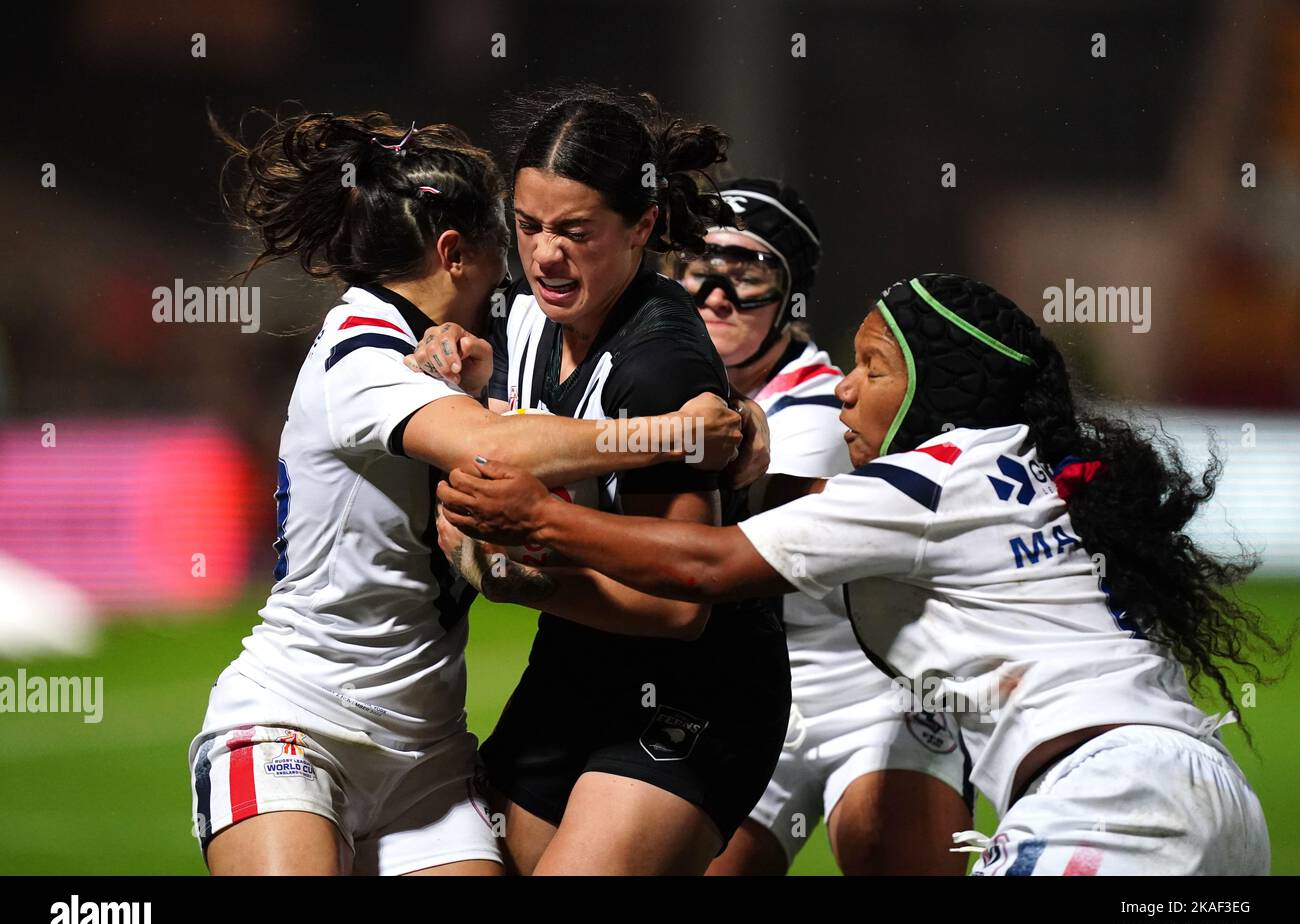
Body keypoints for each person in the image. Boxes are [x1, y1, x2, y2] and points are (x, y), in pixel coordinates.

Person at [438, 272, 1287, 875]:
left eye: (874, 368)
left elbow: (708, 565)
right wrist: (713, 472)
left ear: (934, 388)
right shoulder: (1031, 475)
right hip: (1205, 803)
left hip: (1112, 805)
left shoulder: (936, 471)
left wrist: (543, 518)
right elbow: (819, 511)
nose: (846, 389)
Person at [187, 109, 747, 876]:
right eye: (514, 232)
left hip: (429, 756)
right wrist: (669, 435)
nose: (533, 264)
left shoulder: (500, 336)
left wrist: (749, 428)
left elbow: (519, 429)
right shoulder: (363, 351)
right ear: (455, 253)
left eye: (567, 230)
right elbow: (500, 444)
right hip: (299, 720)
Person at [425, 88, 793, 876]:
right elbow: (501, 419)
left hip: (699, 688)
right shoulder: (522, 322)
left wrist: (513, 579)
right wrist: (444, 347)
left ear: (644, 228)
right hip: (577, 669)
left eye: (575, 231)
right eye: (528, 226)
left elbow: (678, 605)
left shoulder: (662, 366)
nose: (546, 254)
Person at [669, 179, 971, 875]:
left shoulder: (815, 413)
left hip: (868, 689)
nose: (716, 294)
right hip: (742, 694)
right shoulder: (666, 375)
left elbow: (708, 557)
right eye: (699, 269)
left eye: (748, 275)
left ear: (790, 297)